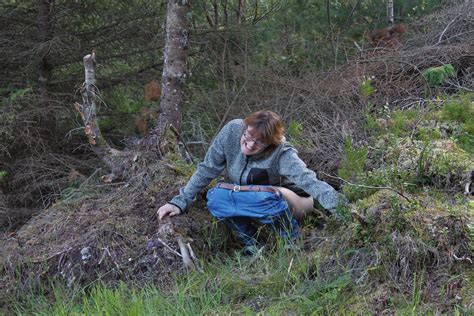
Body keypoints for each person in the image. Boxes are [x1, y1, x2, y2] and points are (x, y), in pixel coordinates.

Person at [157, 110, 344, 254]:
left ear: (270, 144)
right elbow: (207, 168)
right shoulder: (232, 131)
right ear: (244, 128)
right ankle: (253, 244)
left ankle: (290, 240)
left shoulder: (282, 153)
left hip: (294, 201)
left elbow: (309, 181)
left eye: (260, 143)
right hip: (250, 199)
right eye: (248, 135)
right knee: (215, 197)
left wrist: (342, 210)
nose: (251, 144)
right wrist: (179, 202)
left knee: (267, 195)